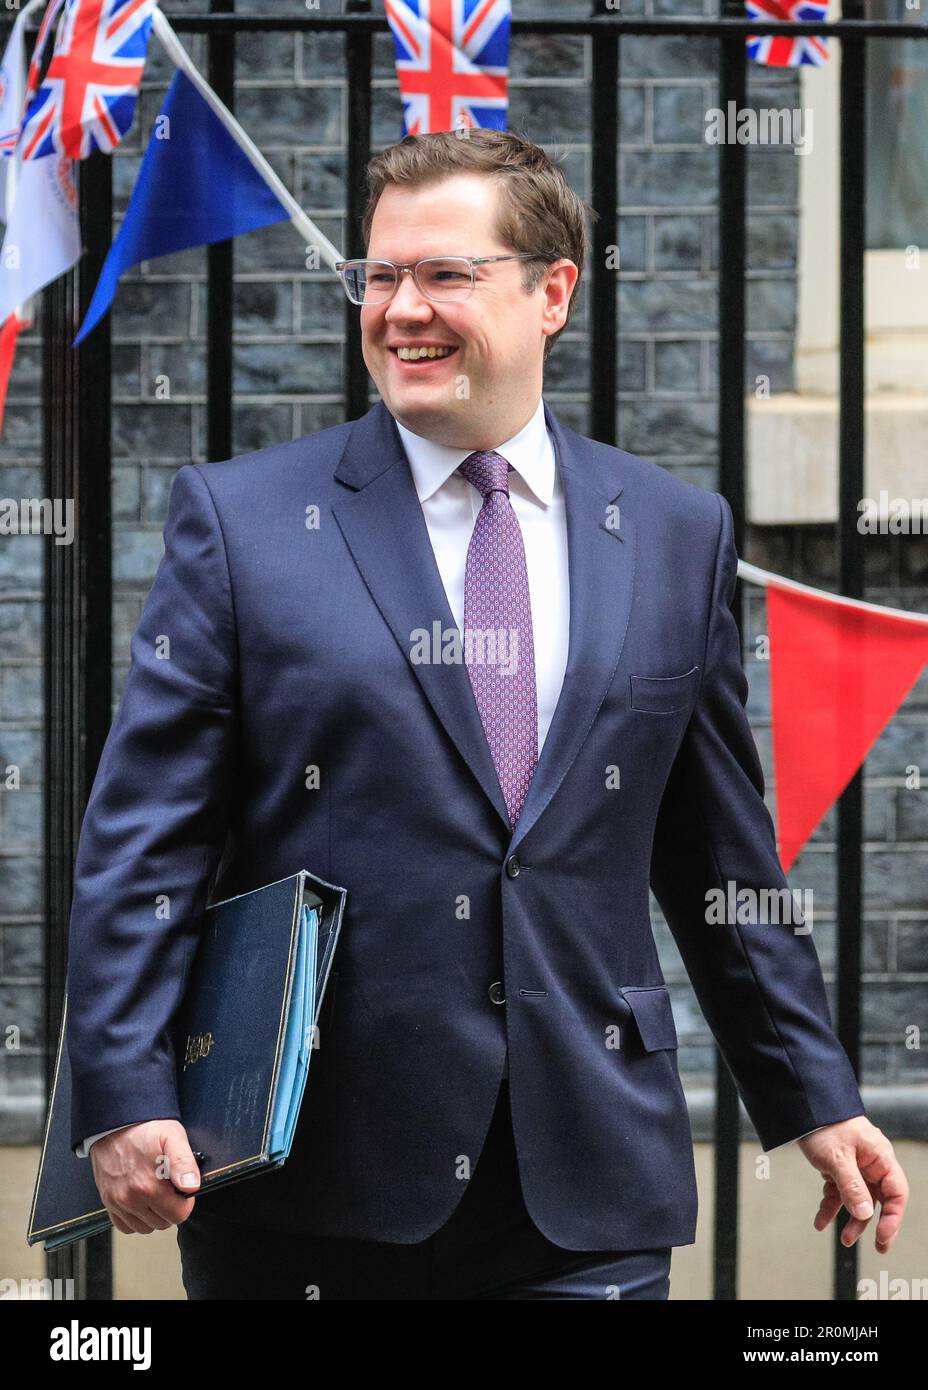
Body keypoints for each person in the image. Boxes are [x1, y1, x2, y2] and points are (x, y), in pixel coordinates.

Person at [66, 128, 908, 1300]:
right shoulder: (245, 524)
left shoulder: (672, 533)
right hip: (314, 1192)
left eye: (444, 274)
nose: (401, 308)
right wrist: (126, 1092)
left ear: (553, 291)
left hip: (585, 1193)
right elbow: (140, 841)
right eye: (380, 275)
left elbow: (717, 850)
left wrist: (812, 1092)